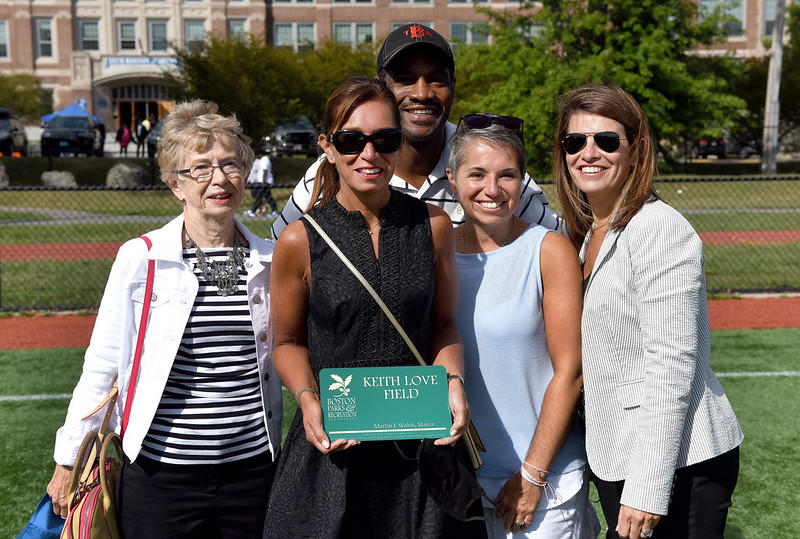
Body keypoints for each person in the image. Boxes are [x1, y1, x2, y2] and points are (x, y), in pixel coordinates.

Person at [46, 100, 283, 538]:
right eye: (201, 168)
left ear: (246, 173)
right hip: (161, 478)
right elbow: (102, 365)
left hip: (253, 472)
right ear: (175, 183)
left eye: (231, 164)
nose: (219, 178)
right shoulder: (143, 258)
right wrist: (67, 460)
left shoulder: (270, 259)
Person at [263, 75, 486, 538]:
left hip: (422, 453)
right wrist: (307, 400)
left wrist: (455, 382)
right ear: (327, 145)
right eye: (351, 140)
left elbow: (444, 326)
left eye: (384, 139)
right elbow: (286, 342)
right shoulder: (298, 239)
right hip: (334, 457)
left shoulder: (434, 225)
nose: (369, 154)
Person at [554, 82, 743, 539]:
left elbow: (672, 365)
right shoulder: (589, 231)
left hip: (677, 462)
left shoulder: (658, 228)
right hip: (619, 451)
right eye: (575, 141)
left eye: (607, 140)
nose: (589, 152)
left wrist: (646, 489)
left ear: (636, 150)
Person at [448, 117, 599, 538]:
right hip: (459, 484)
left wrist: (533, 476)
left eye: (507, 175)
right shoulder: (433, 253)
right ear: (452, 178)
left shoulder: (548, 250)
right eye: (476, 174)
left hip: (544, 483)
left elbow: (570, 372)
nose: (492, 189)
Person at [271, 23, 561, 239]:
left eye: (436, 79)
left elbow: (557, 242)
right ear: (380, 86)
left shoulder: (489, 161)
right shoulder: (339, 169)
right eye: (406, 80)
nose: (422, 93)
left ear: (453, 87)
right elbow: (275, 255)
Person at [244, 146, 279, 218]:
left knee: (260, 197)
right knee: (268, 197)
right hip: (264, 182)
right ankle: (275, 211)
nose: (256, 157)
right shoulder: (265, 159)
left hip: (264, 182)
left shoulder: (264, 159)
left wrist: (263, 182)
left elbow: (265, 170)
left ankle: (253, 211)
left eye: (256, 155)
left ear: (259, 154)